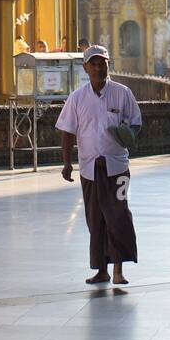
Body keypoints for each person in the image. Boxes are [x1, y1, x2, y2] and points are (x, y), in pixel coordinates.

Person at [56, 45, 141, 285]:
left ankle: (119, 269)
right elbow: (67, 132)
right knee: (96, 218)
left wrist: (127, 134)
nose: (98, 67)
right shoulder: (77, 98)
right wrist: (66, 164)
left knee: (119, 215)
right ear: (86, 67)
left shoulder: (122, 93)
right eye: (93, 63)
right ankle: (101, 269)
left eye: (102, 62)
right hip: (89, 168)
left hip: (117, 167)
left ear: (108, 64)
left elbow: (136, 123)